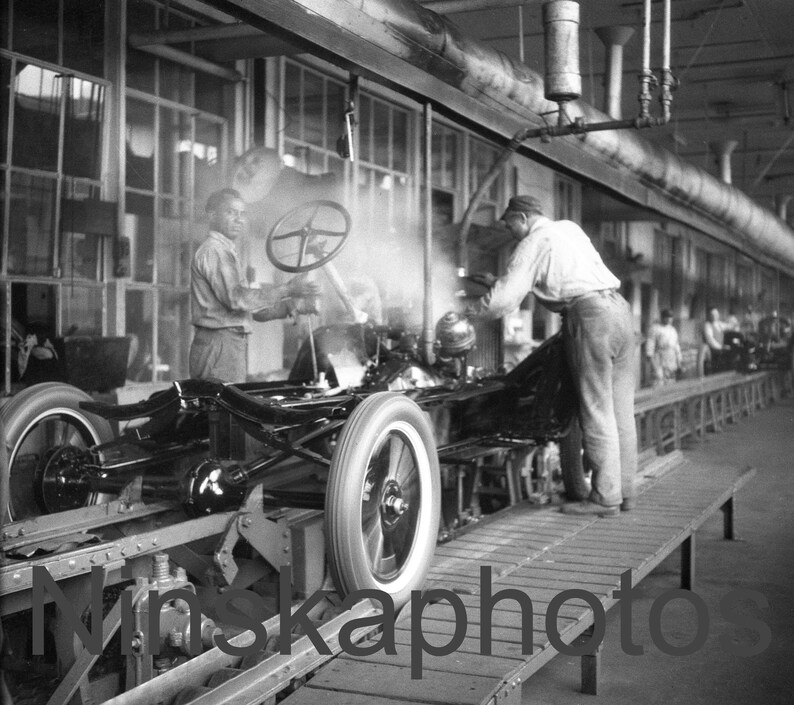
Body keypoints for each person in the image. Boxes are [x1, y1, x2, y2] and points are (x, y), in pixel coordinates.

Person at [465, 194, 636, 517]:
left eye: (510, 225)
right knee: (621, 411)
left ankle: (605, 498)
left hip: (591, 318)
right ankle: (625, 493)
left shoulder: (532, 242)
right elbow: (564, 275)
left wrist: (467, 315)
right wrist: (499, 282)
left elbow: (504, 301)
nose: (510, 231)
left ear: (521, 218)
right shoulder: (568, 229)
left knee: (595, 409)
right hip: (620, 311)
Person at [190, 188, 321, 382]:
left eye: (242, 213)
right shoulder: (215, 251)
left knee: (228, 399)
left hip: (227, 343)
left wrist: (291, 305)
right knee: (220, 401)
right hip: (219, 344)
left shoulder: (226, 252)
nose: (239, 220)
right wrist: (287, 289)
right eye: (230, 212)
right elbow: (238, 300)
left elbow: (254, 310)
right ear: (212, 215)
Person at [646, 309, 682, 387]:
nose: (669, 319)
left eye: (670, 317)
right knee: (658, 377)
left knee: (670, 379)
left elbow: (676, 345)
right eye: (667, 317)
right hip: (659, 355)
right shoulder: (655, 328)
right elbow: (650, 342)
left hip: (671, 356)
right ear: (662, 317)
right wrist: (649, 355)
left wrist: (679, 359)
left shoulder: (672, 329)